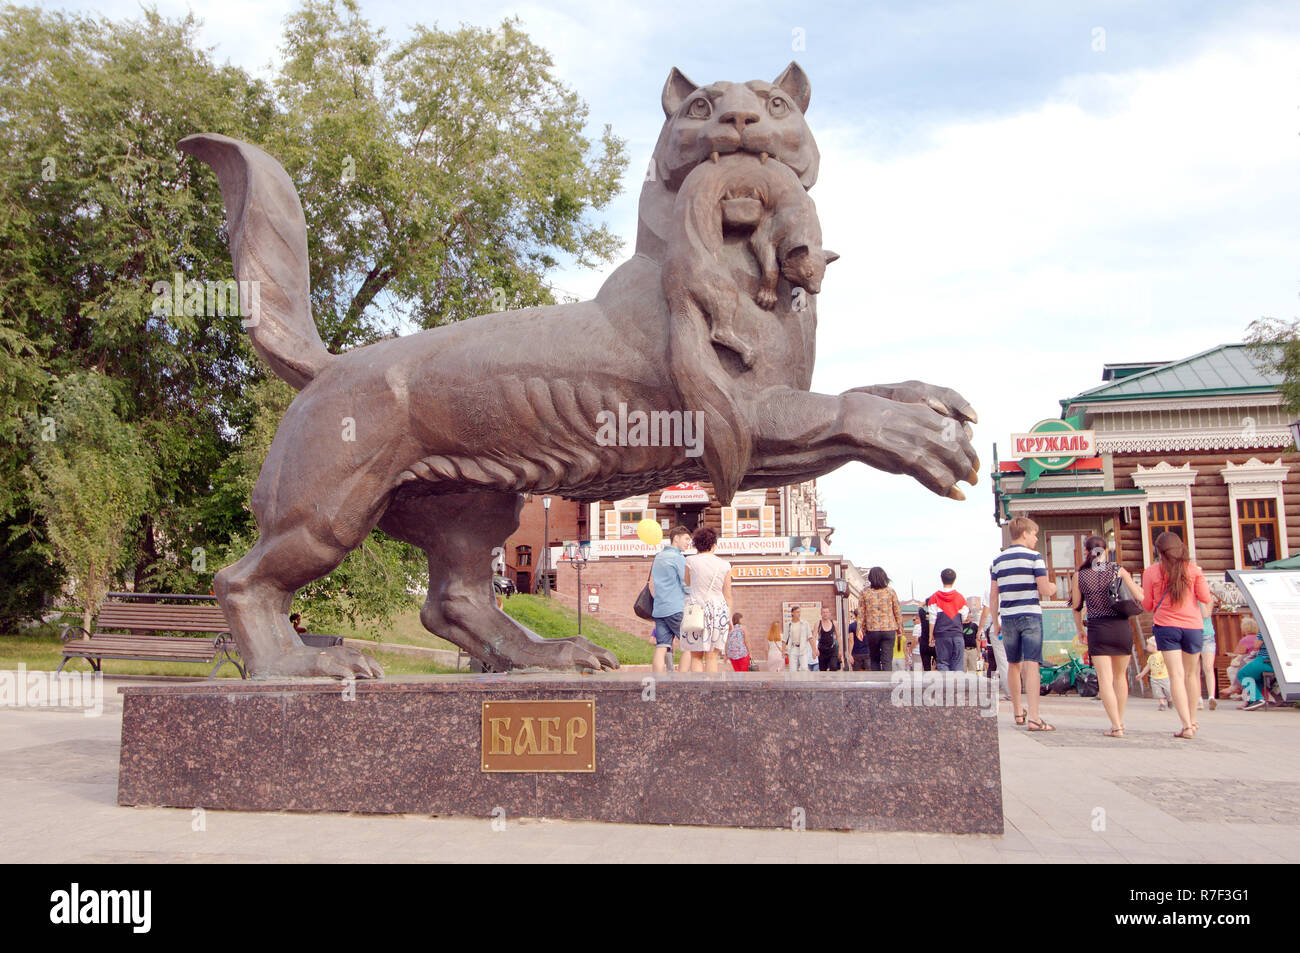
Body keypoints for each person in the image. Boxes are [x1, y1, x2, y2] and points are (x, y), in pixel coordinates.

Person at [1069, 535, 1142, 737]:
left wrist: (1080, 631)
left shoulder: (1080, 576)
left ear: (1086, 552)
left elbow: (1076, 607)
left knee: (1105, 680)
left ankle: (1116, 725)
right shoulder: (1118, 570)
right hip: (1121, 627)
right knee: (1120, 677)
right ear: (1106, 551)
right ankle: (1119, 721)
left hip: (1097, 629)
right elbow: (1140, 596)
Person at [1142, 531, 1212, 738]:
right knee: (1192, 674)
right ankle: (1193, 720)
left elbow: (1147, 605)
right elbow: (1205, 597)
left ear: (1159, 552)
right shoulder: (1193, 570)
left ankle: (1186, 726)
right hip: (1193, 627)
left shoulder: (1151, 572)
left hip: (1166, 627)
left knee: (1176, 676)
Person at [990, 517, 1057, 731]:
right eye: (1035, 534)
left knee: (1013, 664)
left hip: (1008, 617)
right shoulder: (1035, 558)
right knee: (1032, 664)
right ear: (1025, 533)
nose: (1036, 538)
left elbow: (993, 595)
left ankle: (1018, 712)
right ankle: (1034, 718)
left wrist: (995, 621)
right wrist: (1054, 587)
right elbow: (1044, 590)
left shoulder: (998, 561)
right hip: (1030, 614)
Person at [682, 526, 733, 673]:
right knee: (712, 656)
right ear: (714, 544)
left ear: (696, 544)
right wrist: (729, 616)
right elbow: (728, 594)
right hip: (718, 610)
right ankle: (712, 691)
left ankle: (698, 691)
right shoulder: (724, 565)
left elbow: (687, 583)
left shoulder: (690, 561)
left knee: (696, 656)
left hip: (696, 610)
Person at [648, 525, 691, 673]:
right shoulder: (678, 558)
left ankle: (658, 681)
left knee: (661, 646)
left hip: (659, 609)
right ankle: (682, 681)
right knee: (689, 645)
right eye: (686, 539)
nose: (688, 543)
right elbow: (685, 583)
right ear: (676, 538)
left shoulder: (658, 556)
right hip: (675, 607)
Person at [855, 566, 902, 671]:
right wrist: (900, 629)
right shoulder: (890, 592)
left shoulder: (865, 592)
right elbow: (897, 611)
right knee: (887, 660)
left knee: (874, 659)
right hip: (889, 629)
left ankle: (876, 684)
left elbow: (861, 613)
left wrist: (860, 629)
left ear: (870, 578)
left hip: (872, 630)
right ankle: (887, 684)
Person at [925, 568, 968, 672]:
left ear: (941, 579)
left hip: (941, 635)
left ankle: (945, 687)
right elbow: (964, 616)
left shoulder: (934, 597)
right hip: (957, 634)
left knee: (943, 663)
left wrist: (931, 634)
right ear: (954, 579)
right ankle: (957, 687)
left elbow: (932, 618)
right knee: (958, 664)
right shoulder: (960, 597)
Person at [978, 602, 1011, 700]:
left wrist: (980, 629)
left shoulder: (992, 590)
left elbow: (985, 612)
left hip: (999, 625)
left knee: (1003, 661)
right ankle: (1019, 688)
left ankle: (1010, 692)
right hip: (1015, 624)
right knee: (1014, 660)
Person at [1237, 628, 1274, 711]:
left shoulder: (1266, 628)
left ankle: (1258, 699)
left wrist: (1259, 637)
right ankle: (1252, 701)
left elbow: (1257, 645)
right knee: (1257, 678)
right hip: (1276, 663)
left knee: (1243, 673)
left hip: (1265, 660)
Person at [1138, 637, 1172, 710]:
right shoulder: (1151, 657)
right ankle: (1162, 704)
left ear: (1154, 646)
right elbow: (1148, 666)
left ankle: (1169, 699)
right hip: (1154, 677)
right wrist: (1141, 674)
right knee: (1157, 692)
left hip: (1164, 676)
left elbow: (1167, 662)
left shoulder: (1161, 655)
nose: (1147, 646)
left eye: (1148, 645)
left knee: (1168, 691)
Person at [1197, 599, 1218, 711]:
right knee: (1195, 669)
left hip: (1207, 635)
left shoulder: (1208, 600)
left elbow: (1205, 614)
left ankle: (1211, 697)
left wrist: (1202, 601)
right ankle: (1198, 698)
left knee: (1208, 667)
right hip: (1193, 633)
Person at [784, 606, 813, 672]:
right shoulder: (788, 625)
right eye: (797, 612)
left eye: (799, 612)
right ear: (792, 613)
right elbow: (784, 639)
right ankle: (793, 681)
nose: (799, 614)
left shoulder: (805, 624)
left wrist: (814, 650)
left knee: (804, 668)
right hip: (793, 648)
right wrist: (783, 652)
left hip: (803, 647)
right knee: (793, 669)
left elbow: (810, 637)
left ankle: (804, 681)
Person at [816, 606, 842, 671]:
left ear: (829, 613)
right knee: (822, 670)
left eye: (827, 612)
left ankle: (833, 680)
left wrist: (840, 650)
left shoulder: (834, 623)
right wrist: (815, 649)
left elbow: (838, 636)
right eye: (823, 612)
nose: (825, 614)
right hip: (822, 650)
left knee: (833, 667)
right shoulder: (818, 624)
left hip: (832, 649)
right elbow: (813, 637)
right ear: (821, 614)